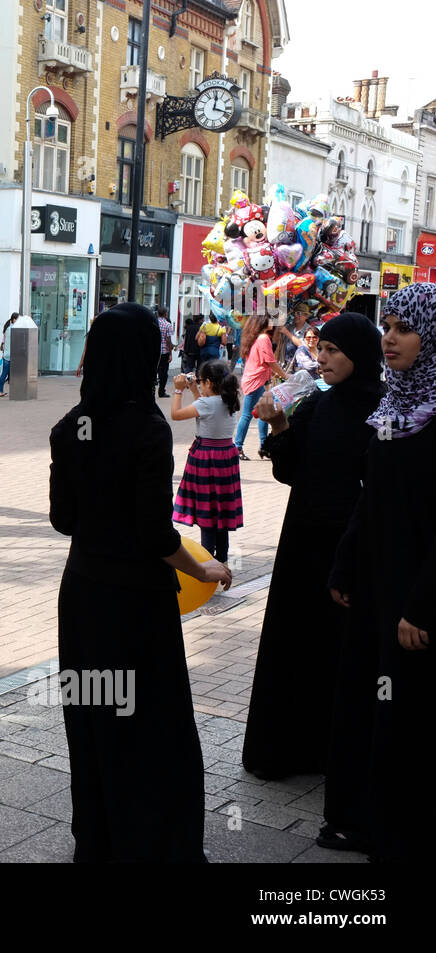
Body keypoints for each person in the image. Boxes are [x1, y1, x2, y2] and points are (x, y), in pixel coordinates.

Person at [49, 302, 231, 862]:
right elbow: (155, 533)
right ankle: (152, 842)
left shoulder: (68, 428)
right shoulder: (147, 429)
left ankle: (98, 842)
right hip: (136, 604)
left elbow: (63, 521)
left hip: (83, 595)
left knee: (93, 723)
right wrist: (206, 568)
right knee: (151, 725)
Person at [240, 314, 382, 785]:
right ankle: (285, 748)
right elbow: (290, 472)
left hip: (350, 546)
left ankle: (331, 751)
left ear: (359, 356)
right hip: (302, 541)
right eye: (320, 349)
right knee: (295, 640)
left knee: (338, 647)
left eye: (333, 351)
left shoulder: (385, 410)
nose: (320, 359)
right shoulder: (315, 406)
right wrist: (279, 423)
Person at [326, 283, 436, 862]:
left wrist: (422, 604)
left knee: (405, 715)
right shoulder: (393, 408)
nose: (389, 338)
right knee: (368, 701)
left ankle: (401, 832)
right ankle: (361, 819)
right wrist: (345, 562)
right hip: (374, 581)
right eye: (387, 327)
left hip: (413, 594)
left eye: (404, 329)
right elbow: (370, 499)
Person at [170, 360, 243, 566]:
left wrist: (178, 391)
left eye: (201, 381)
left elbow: (175, 415)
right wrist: (194, 390)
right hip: (226, 456)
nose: (199, 384)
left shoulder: (206, 404)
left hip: (206, 458)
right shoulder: (229, 399)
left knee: (207, 515)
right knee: (220, 513)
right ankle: (222, 561)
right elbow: (206, 409)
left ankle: (207, 562)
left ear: (209, 382)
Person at [234, 314, 283, 461]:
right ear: (262, 323)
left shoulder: (256, 338)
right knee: (248, 415)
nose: (272, 323)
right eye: (269, 320)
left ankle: (263, 446)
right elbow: (270, 361)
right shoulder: (263, 338)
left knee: (264, 412)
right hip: (254, 381)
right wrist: (285, 375)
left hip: (255, 380)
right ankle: (238, 447)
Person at [155, 305, 174, 398]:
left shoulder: (153, 322)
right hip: (164, 352)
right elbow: (168, 340)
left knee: (153, 370)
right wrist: (170, 353)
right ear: (166, 314)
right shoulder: (168, 325)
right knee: (164, 373)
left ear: (158, 313)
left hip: (153, 351)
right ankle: (161, 391)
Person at [0, 312, 19, 394]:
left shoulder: (7, 328)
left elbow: (4, 341)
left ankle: (0, 391)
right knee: (15, 374)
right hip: (13, 355)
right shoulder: (14, 329)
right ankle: (14, 391)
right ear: (14, 319)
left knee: (4, 374)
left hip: (6, 355)